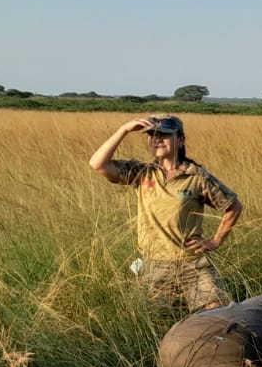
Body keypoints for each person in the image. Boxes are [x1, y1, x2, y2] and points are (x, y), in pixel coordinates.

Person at [88, 114, 244, 311]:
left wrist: (215, 241)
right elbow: (97, 164)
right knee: (156, 322)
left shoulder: (196, 176)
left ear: (180, 140)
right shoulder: (142, 172)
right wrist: (124, 130)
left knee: (216, 315)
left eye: (164, 135)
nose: (157, 140)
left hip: (192, 262)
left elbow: (233, 206)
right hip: (155, 265)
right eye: (152, 135)